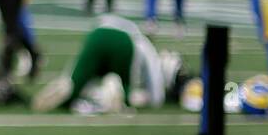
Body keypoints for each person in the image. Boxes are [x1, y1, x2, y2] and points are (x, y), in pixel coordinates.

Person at [32, 14, 183, 114]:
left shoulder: (139, 38)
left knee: (78, 83)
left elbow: (79, 63)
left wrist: (70, 77)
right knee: (126, 92)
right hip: (124, 41)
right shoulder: (147, 48)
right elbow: (156, 95)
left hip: (97, 35)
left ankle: (71, 91)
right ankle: (114, 94)